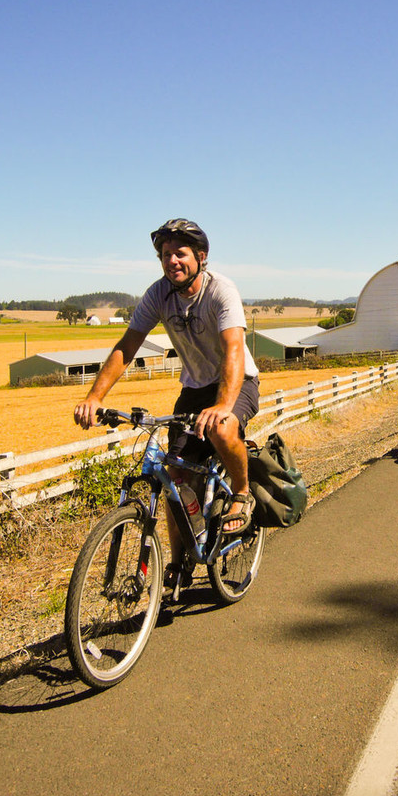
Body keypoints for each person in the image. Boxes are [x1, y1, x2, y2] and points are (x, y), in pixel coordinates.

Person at [74, 219, 259, 585]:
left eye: (180, 253)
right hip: (193, 388)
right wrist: (94, 397)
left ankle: (242, 492)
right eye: (165, 255)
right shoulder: (158, 294)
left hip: (236, 381)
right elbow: (128, 346)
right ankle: (180, 564)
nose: (172, 260)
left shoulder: (221, 290)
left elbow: (234, 349)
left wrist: (223, 405)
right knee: (176, 476)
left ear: (200, 258)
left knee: (223, 430)